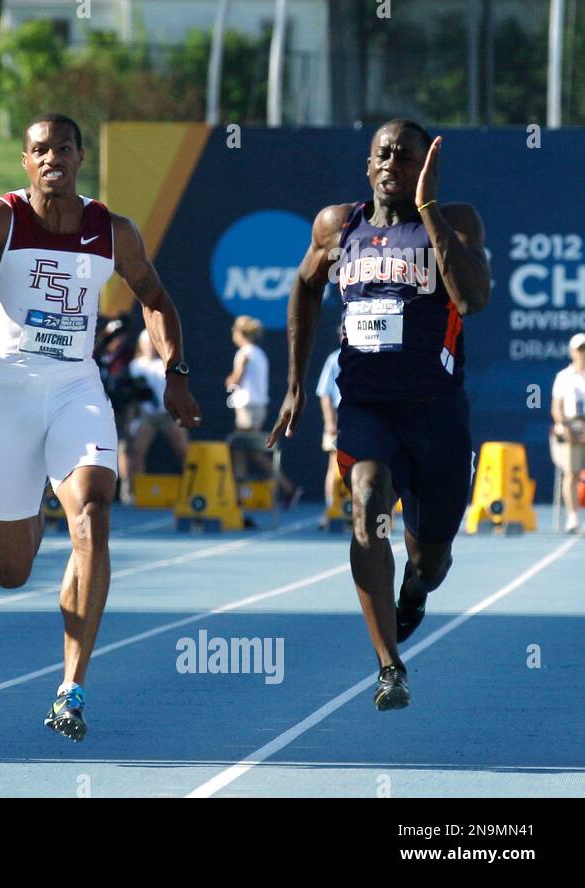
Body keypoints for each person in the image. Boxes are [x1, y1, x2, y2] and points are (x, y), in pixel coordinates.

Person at [0, 112, 202, 742]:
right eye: (39, 150)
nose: (52, 158)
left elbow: (156, 298)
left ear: (82, 158)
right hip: (8, 391)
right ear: (25, 161)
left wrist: (176, 370)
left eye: (63, 149)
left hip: (76, 389)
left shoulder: (113, 230)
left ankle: (70, 688)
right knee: (12, 571)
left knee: (95, 515)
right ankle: (35, 510)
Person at [268, 118, 490, 711]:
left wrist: (431, 209)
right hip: (366, 406)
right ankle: (390, 665)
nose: (392, 162)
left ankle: (414, 590)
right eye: (382, 154)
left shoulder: (456, 220)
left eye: (405, 155)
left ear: (425, 167)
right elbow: (304, 288)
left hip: (438, 413)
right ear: (368, 167)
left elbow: (471, 298)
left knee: (430, 557)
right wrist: (295, 382)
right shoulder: (338, 225)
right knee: (366, 501)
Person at [227, 315, 299, 508]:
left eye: (234, 330)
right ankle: (239, 496)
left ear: (241, 333)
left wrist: (230, 381)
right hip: (254, 407)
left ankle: (286, 487)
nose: (233, 334)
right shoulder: (258, 353)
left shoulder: (245, 353)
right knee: (242, 452)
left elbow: (236, 379)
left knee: (249, 450)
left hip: (248, 409)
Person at [118, 329, 188, 503]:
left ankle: (192, 489)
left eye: (152, 344)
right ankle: (135, 493)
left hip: (168, 413)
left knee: (184, 450)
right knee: (137, 451)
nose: (149, 347)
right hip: (146, 415)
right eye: (146, 344)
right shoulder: (135, 366)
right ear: (141, 345)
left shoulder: (167, 363)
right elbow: (130, 395)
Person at [550, 332, 585, 533]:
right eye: (580, 350)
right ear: (572, 352)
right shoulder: (563, 377)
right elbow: (557, 408)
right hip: (570, 427)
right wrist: (565, 427)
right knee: (571, 473)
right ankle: (573, 517)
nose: (583, 354)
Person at [314, 347, 343, 520]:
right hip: (340, 415)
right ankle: (331, 509)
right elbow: (324, 393)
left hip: (363, 416)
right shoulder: (334, 358)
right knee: (334, 463)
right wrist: (330, 421)